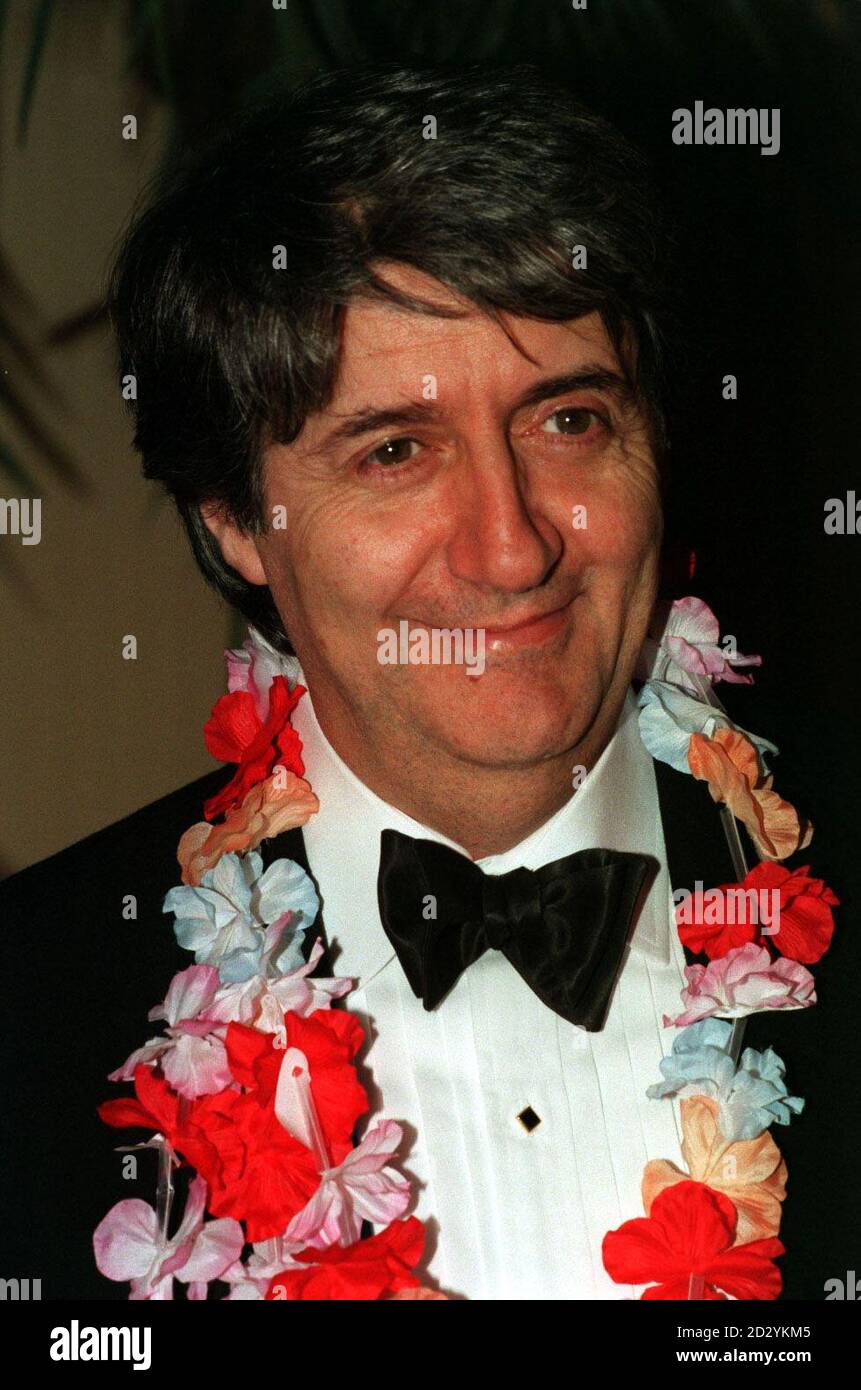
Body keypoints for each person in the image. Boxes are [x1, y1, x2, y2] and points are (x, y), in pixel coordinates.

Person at [0, 64, 821, 1300]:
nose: (514, 547)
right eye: (395, 450)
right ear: (233, 516)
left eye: (570, 421)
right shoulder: (29, 1014)